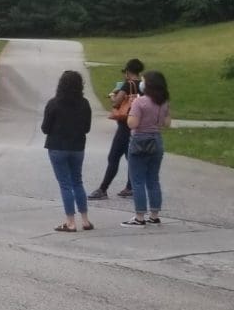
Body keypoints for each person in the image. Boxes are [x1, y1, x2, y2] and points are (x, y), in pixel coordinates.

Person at [42, 70, 94, 232]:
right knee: (77, 181)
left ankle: (70, 222)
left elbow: (45, 128)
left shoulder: (53, 103)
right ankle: (85, 220)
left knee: (65, 184)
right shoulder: (84, 103)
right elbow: (87, 128)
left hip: (57, 147)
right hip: (77, 147)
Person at [122, 70, 172, 227]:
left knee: (137, 180)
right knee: (153, 179)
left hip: (139, 140)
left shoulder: (140, 102)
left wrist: (131, 111)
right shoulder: (163, 102)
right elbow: (167, 123)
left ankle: (139, 217)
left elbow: (132, 123)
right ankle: (154, 215)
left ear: (148, 84)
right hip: (156, 140)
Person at [90, 58, 144, 200]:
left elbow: (116, 103)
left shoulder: (127, 85)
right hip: (136, 125)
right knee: (130, 157)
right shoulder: (144, 86)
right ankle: (130, 187)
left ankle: (103, 189)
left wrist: (113, 95)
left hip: (124, 126)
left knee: (113, 157)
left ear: (127, 72)